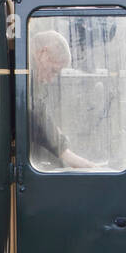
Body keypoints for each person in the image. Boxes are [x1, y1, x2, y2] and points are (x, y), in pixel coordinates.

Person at [29, 30, 100, 170]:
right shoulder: (27, 74)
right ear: (43, 53)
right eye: (53, 71)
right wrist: (81, 163)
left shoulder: (31, 73)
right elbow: (36, 112)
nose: (50, 79)